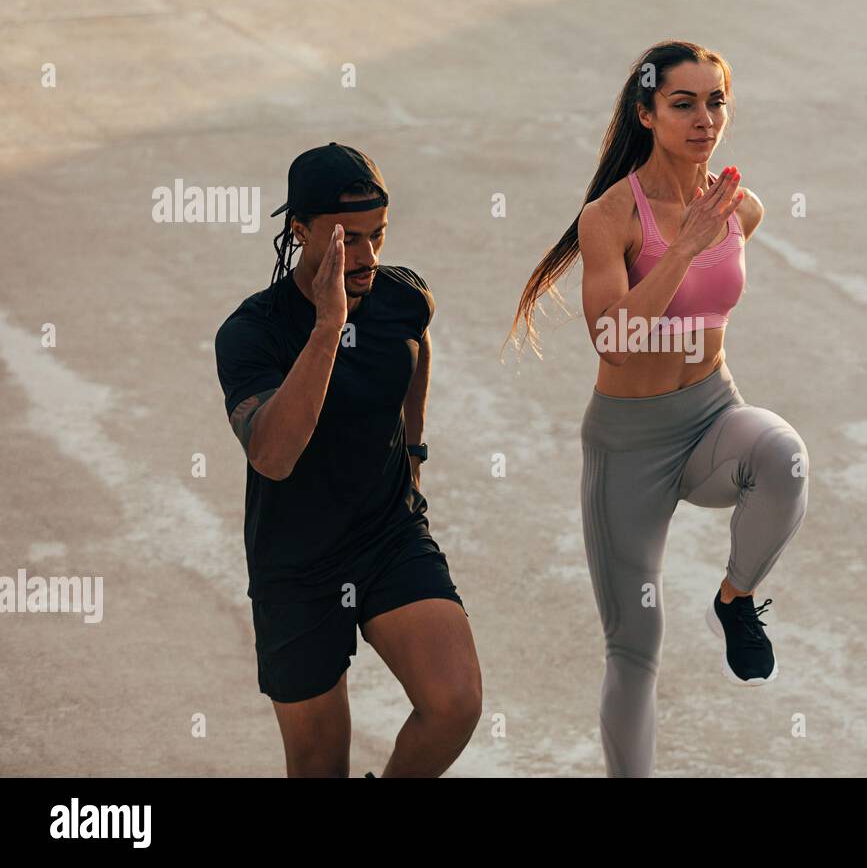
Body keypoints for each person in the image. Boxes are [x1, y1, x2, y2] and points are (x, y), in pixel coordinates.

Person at [506, 42, 810, 777]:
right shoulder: (610, 216)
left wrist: (707, 236)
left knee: (783, 456)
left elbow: (717, 281)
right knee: (635, 646)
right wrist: (682, 249)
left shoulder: (740, 206)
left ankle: (734, 599)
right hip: (630, 444)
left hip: (711, 417)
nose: (705, 118)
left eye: (716, 101)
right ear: (646, 113)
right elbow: (612, 340)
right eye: (684, 103)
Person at [214, 142, 481, 776]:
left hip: (387, 535)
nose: (366, 257)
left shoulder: (401, 298)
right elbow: (274, 456)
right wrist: (328, 325)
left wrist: (413, 449)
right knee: (317, 764)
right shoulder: (253, 332)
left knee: (456, 704)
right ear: (300, 231)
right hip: (296, 562)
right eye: (347, 240)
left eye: (377, 236)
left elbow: (415, 349)